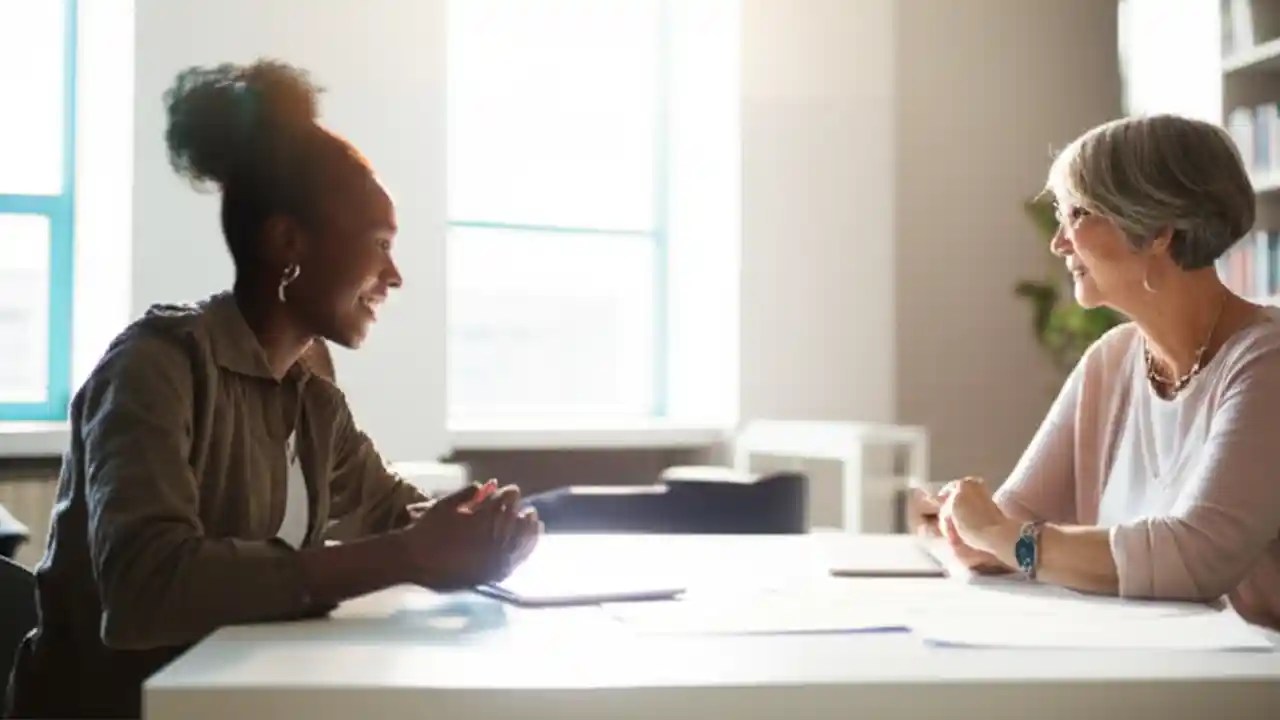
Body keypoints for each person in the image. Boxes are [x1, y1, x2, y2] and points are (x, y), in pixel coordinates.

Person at [4, 60, 541, 719]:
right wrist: (406, 555)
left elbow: (391, 509)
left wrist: (483, 529)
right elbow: (146, 589)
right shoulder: (154, 368)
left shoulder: (309, 381)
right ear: (287, 242)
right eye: (379, 243)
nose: (394, 275)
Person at [913, 114, 1280, 630]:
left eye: (1078, 214)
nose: (1059, 242)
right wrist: (967, 528)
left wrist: (1001, 537)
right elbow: (1008, 527)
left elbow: (1194, 559)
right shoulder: (1111, 361)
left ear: (1156, 229)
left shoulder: (1267, 361)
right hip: (1142, 668)